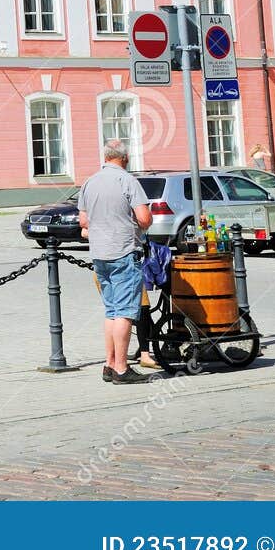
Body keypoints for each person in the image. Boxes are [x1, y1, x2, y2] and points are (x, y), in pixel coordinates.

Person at [78, 139, 155, 384]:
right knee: (124, 312)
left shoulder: (90, 181)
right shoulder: (128, 181)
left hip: (99, 254)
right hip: (123, 251)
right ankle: (122, 369)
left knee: (111, 311)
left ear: (105, 157)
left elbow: (83, 221)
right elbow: (144, 218)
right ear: (125, 158)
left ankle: (109, 363)